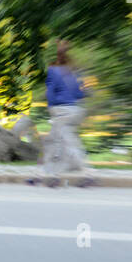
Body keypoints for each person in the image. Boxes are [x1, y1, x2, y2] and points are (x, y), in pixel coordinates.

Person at [33, 40, 96, 187]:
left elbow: (50, 93)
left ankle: (88, 173)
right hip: (77, 110)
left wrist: (52, 110)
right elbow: (80, 94)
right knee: (55, 142)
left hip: (62, 111)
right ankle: (44, 174)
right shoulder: (74, 71)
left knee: (67, 143)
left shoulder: (53, 70)